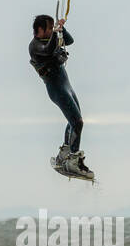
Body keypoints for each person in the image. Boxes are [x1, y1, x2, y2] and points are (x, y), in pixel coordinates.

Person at [29, 14, 93, 178]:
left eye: (52, 28)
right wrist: (56, 33)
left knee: (73, 121)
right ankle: (73, 160)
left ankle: (64, 154)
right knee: (77, 122)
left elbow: (70, 41)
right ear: (39, 29)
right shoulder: (35, 46)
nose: (51, 31)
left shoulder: (53, 38)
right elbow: (48, 50)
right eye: (48, 28)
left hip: (67, 86)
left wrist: (61, 28)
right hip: (56, 88)